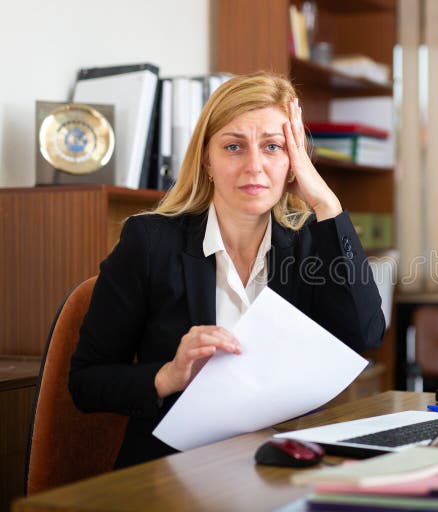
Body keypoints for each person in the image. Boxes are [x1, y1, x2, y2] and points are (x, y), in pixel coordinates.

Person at [69, 71, 386, 468]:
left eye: (272, 146)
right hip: (175, 470)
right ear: (207, 159)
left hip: (282, 463)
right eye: (234, 146)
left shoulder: (310, 240)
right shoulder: (149, 242)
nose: (254, 166)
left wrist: (326, 203)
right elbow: (86, 382)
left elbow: (365, 334)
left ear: (293, 162)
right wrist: (169, 375)